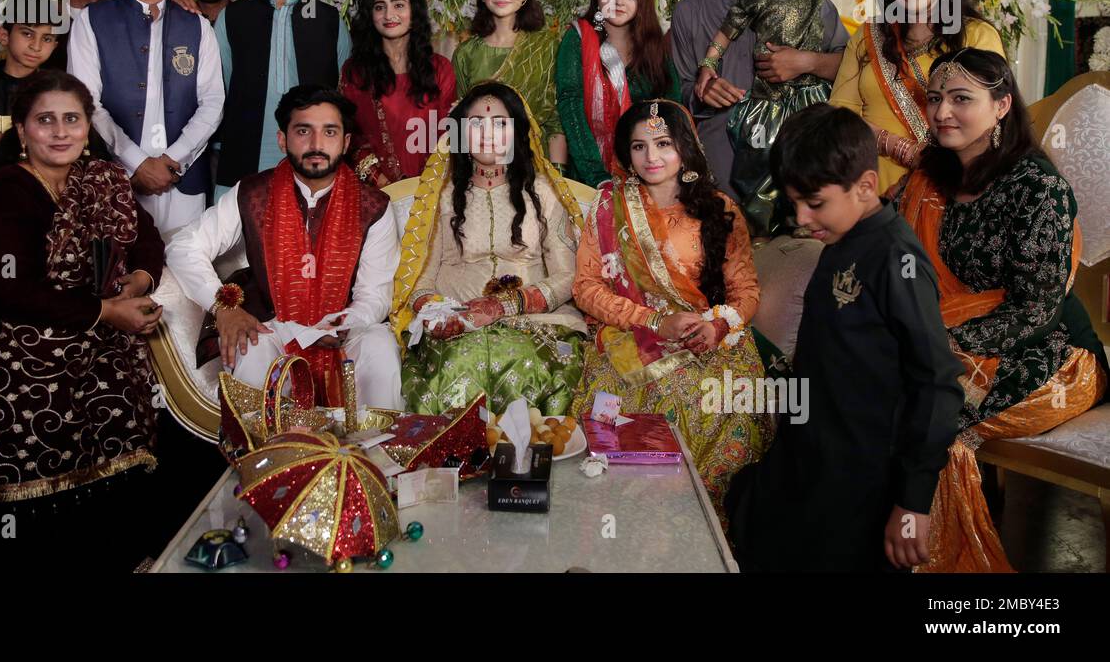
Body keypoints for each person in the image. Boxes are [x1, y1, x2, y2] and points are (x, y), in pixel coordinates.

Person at [0, 71, 165, 567]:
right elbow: (6, 288)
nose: (60, 132)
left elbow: (146, 238)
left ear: (86, 127)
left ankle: (113, 552)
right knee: (48, 401)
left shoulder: (100, 180)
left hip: (88, 326)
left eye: (71, 120)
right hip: (13, 334)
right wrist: (105, 311)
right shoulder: (9, 189)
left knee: (117, 387)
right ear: (21, 130)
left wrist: (139, 280)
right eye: (45, 120)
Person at [891, 49, 1108, 572]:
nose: (942, 112)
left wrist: (941, 347)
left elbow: (1036, 308)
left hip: (1052, 350)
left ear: (1003, 105)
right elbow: (891, 253)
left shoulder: (1038, 188)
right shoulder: (928, 178)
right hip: (950, 334)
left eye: (962, 99)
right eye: (936, 98)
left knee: (937, 413)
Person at [727, 103, 963, 571]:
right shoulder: (840, 242)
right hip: (810, 455)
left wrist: (913, 503)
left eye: (815, 203)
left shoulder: (898, 259)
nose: (800, 217)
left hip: (862, 476)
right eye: (793, 202)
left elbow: (937, 381)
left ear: (866, 186)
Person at [570, 98, 767, 517]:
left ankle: (701, 523)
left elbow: (745, 291)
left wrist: (716, 327)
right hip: (633, 335)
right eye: (639, 146)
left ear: (686, 146)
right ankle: (631, 523)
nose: (651, 156)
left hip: (709, 337)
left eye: (663, 143)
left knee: (711, 400)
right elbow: (586, 287)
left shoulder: (720, 209)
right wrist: (656, 321)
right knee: (644, 394)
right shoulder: (609, 206)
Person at [164, 85, 403, 410]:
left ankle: (377, 457)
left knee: (380, 347)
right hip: (271, 325)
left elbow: (375, 295)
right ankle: (268, 458)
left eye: (329, 132)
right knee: (251, 347)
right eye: (303, 131)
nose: (316, 144)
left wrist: (341, 324)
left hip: (344, 326)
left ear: (346, 143)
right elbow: (184, 247)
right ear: (282, 139)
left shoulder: (373, 206)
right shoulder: (252, 193)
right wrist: (225, 309)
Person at [391, 82, 587, 415]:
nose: (488, 134)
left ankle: (529, 457)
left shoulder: (542, 193)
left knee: (522, 360)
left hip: (536, 324)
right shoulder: (439, 197)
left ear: (517, 134)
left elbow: (569, 276)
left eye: (500, 123)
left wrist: (505, 306)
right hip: (458, 327)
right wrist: (441, 314)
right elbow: (419, 282)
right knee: (460, 361)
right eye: (477, 124)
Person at [693, 0, 867, 235]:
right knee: (759, 169)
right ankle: (762, 239)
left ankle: (813, 228)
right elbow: (725, 34)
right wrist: (707, 65)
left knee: (815, 164)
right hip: (767, 101)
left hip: (810, 98)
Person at [669, 0, 850, 192]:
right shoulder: (688, 12)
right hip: (724, 179)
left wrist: (807, 62)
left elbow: (852, 66)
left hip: (801, 169)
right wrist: (703, 91)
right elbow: (680, 90)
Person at [67, 0, 225, 234]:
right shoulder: (92, 21)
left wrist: (174, 159)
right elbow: (86, 102)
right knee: (117, 274)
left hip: (183, 180)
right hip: (115, 178)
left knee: (186, 271)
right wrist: (136, 162)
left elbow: (213, 101)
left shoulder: (196, 24)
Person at [830, 0, 1004, 192]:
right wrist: (900, 148)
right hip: (868, 186)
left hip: (949, 185)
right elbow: (839, 116)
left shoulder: (976, 36)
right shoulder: (868, 36)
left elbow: (990, 122)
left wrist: (923, 171)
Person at [213, 0, 350, 200]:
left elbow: (344, 96)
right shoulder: (233, 17)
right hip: (241, 165)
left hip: (315, 170)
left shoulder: (328, 19)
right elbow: (217, 94)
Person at [557, 0, 683, 186]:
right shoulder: (578, 39)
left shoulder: (653, 47)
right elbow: (570, 105)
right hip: (591, 176)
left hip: (650, 172)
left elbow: (672, 107)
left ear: (642, 0)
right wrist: (597, 175)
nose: (619, 1)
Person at [452, 0, 567, 169]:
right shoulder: (466, 53)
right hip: (483, 169)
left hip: (537, 164)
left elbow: (556, 121)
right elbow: (462, 123)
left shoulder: (547, 46)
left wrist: (557, 179)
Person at [340, 0, 456, 186]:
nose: (388, 14)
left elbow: (448, 133)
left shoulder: (440, 69)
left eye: (398, 5)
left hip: (431, 191)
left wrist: (425, 187)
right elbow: (351, 136)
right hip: (375, 194)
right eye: (379, 7)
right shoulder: (356, 72)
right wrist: (382, 182)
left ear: (414, 12)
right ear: (370, 15)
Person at [0, 16, 60, 116]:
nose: (36, 47)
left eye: (47, 39)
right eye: (27, 34)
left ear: (54, 46)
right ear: (4, 36)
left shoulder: (58, 90)